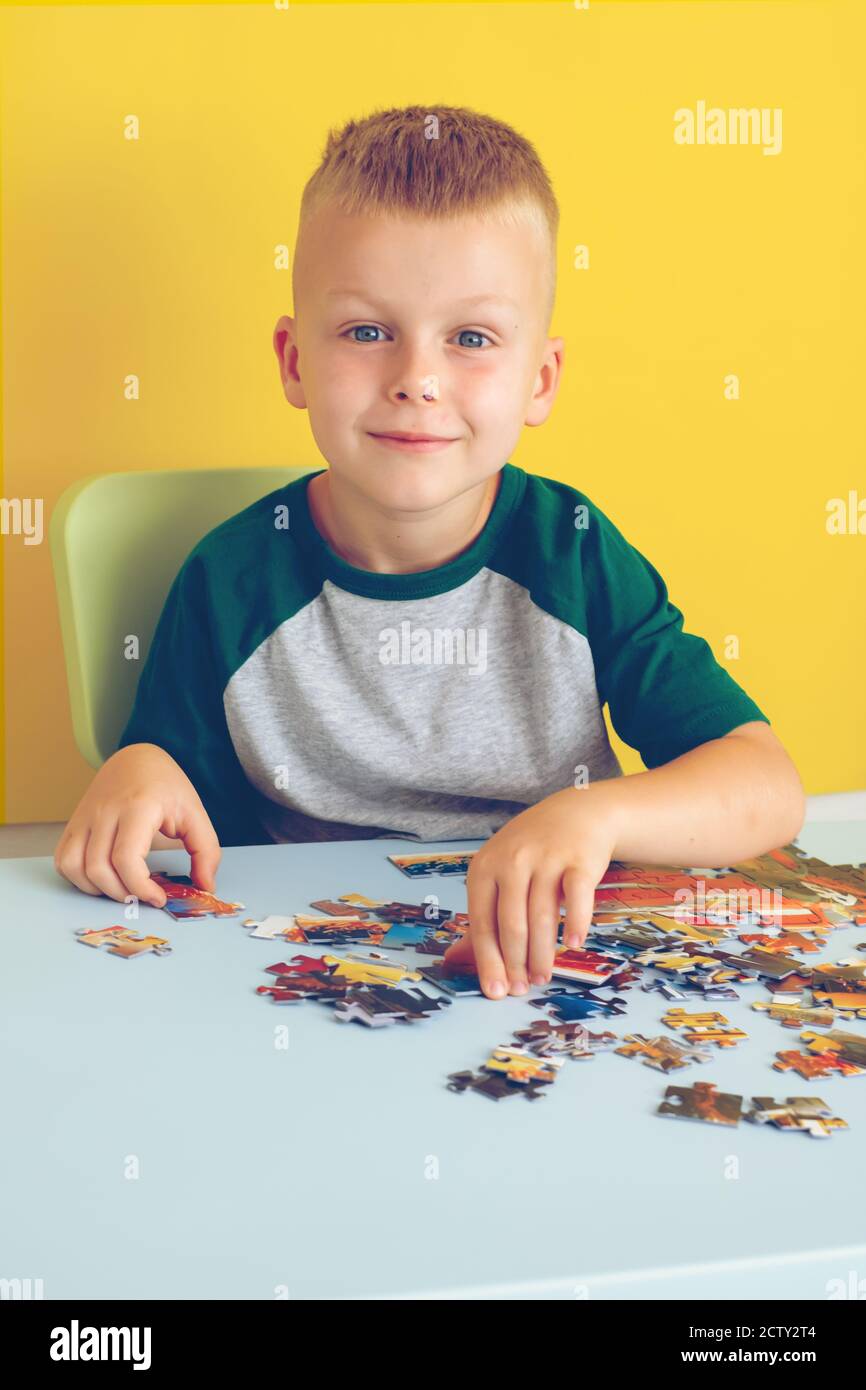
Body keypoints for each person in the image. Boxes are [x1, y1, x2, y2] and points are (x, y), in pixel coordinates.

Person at [54, 104, 806, 999]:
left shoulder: (572, 553)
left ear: (541, 380)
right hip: (305, 983)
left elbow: (767, 785)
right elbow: (173, 796)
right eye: (367, 332)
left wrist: (590, 817)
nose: (417, 378)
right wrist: (139, 770)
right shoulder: (231, 578)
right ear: (294, 361)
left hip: (553, 976)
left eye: (472, 338)